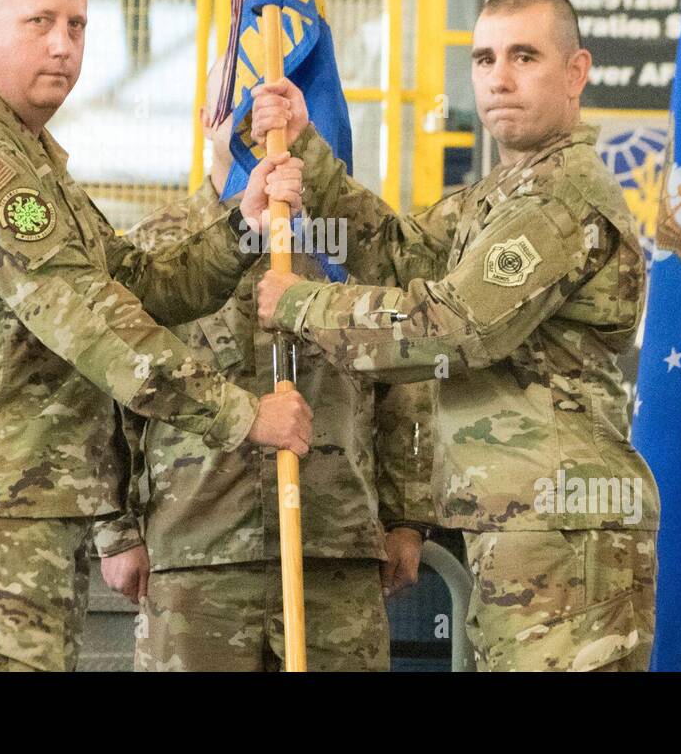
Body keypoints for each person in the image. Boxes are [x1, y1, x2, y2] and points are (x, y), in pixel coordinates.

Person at [0, 0, 311, 671]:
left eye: (78, 25)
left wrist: (241, 221)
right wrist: (242, 414)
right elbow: (88, 318)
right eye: (40, 22)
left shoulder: (25, 153)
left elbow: (139, 282)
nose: (64, 45)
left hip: (27, 501)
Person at [254, 0, 661, 671]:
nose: (498, 78)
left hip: (565, 531)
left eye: (524, 57)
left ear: (576, 72)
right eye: (483, 59)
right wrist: (308, 153)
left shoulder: (560, 196)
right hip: (525, 523)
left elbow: (452, 327)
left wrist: (299, 304)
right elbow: (400, 252)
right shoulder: (502, 194)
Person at [94, 64, 437, 671]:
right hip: (198, 551)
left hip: (333, 548)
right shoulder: (153, 250)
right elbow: (110, 391)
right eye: (242, 103)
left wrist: (406, 517)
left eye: (274, 103)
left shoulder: (344, 240)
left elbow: (403, 382)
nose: (261, 121)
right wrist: (116, 531)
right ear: (209, 119)